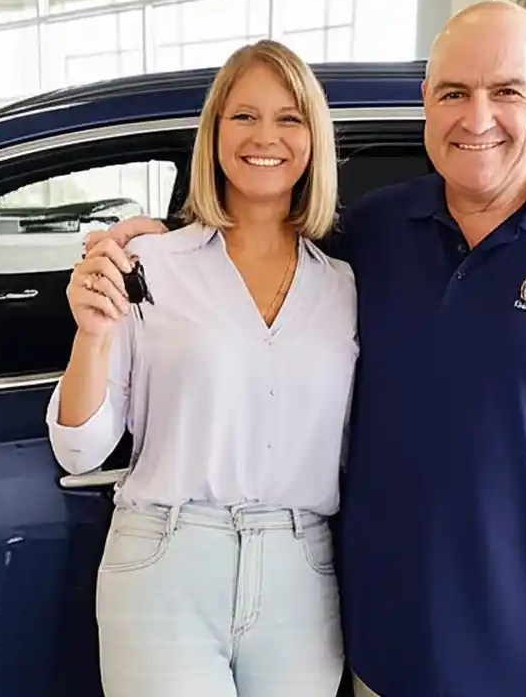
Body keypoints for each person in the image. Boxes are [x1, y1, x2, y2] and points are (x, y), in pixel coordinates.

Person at [95, 1, 526, 697]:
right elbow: (254, 255)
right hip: (389, 658)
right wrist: (156, 241)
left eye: (505, 92)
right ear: (427, 102)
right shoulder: (378, 231)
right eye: (454, 93)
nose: (477, 119)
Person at [48, 39, 356, 697]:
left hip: (300, 568)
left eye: (289, 117)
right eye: (243, 116)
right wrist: (92, 335)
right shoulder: (151, 266)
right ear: (213, 132)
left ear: (314, 138)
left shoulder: (347, 289)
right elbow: (80, 446)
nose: (264, 136)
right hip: (167, 560)